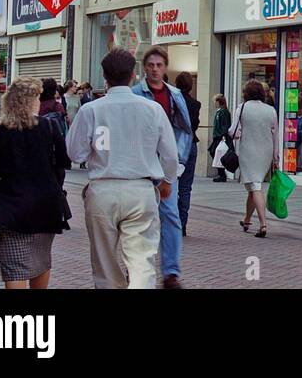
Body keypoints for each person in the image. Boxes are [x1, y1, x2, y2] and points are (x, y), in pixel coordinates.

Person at [65, 47, 178, 289]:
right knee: (141, 262)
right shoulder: (153, 109)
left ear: (104, 77)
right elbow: (170, 153)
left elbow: (75, 153)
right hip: (141, 188)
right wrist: (168, 180)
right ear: (133, 75)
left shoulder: (91, 110)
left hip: (102, 188)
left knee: (104, 263)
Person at [0, 76, 69, 289]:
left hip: (12, 207)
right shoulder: (48, 126)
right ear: (33, 100)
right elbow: (63, 163)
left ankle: (20, 322)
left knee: (14, 267)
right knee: (41, 261)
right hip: (46, 206)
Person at [132, 47, 195, 287]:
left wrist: (177, 164)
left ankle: (170, 273)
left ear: (165, 67)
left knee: (170, 216)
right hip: (141, 163)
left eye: (159, 65)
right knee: (139, 218)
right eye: (151, 65)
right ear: (144, 67)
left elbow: (184, 130)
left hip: (167, 163)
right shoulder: (136, 94)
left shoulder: (175, 94)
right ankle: (137, 266)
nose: (155, 69)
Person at [230, 79, 278, 237]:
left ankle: (263, 224)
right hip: (266, 151)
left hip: (248, 151)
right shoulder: (270, 110)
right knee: (253, 186)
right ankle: (247, 219)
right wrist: (275, 155)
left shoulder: (242, 108)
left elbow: (233, 132)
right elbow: (275, 134)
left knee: (255, 186)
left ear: (246, 93)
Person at [173, 72, 200, 234]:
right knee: (185, 187)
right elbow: (194, 126)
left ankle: (172, 221)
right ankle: (182, 223)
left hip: (174, 144)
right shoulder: (195, 104)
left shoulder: (174, 102)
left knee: (170, 183)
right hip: (191, 145)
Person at [209, 94, 231, 182]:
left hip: (220, 137)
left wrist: (223, 135)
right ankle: (221, 173)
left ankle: (222, 174)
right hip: (217, 136)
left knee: (216, 153)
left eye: (215, 101)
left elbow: (225, 125)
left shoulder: (223, 112)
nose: (214, 103)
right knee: (214, 152)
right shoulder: (219, 111)